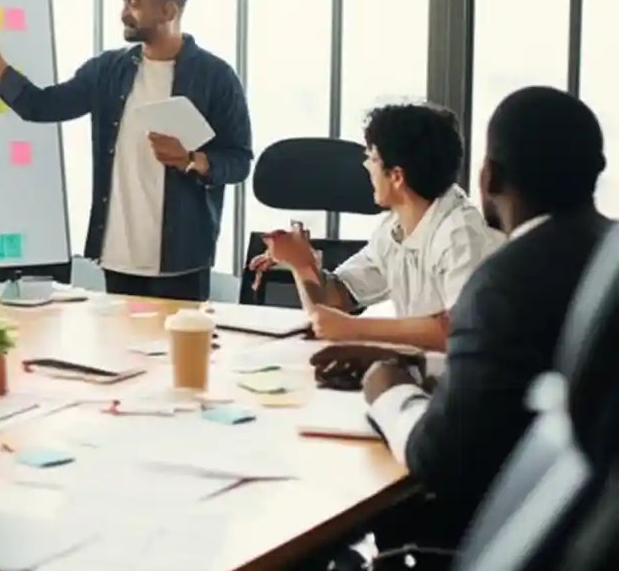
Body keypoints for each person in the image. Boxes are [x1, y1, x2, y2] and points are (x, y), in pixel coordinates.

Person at [363, 86, 611, 547]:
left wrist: (389, 390)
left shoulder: (503, 282)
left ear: (489, 178)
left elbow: (438, 456)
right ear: (596, 172)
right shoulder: (609, 257)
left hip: (498, 532)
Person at [0, 0, 252, 301]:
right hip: (117, 257)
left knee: (175, 355)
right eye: (124, 1)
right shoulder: (108, 70)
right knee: (121, 353)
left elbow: (239, 160)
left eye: (134, 3)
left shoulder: (215, 77)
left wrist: (193, 159)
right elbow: (40, 106)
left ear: (168, 10)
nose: (123, 13)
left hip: (181, 261)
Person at [252, 103, 503, 351]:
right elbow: (333, 304)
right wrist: (302, 264)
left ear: (396, 176)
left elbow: (462, 329)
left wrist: (353, 328)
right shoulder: (394, 228)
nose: (366, 166)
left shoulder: (461, 234)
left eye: (372, 158)